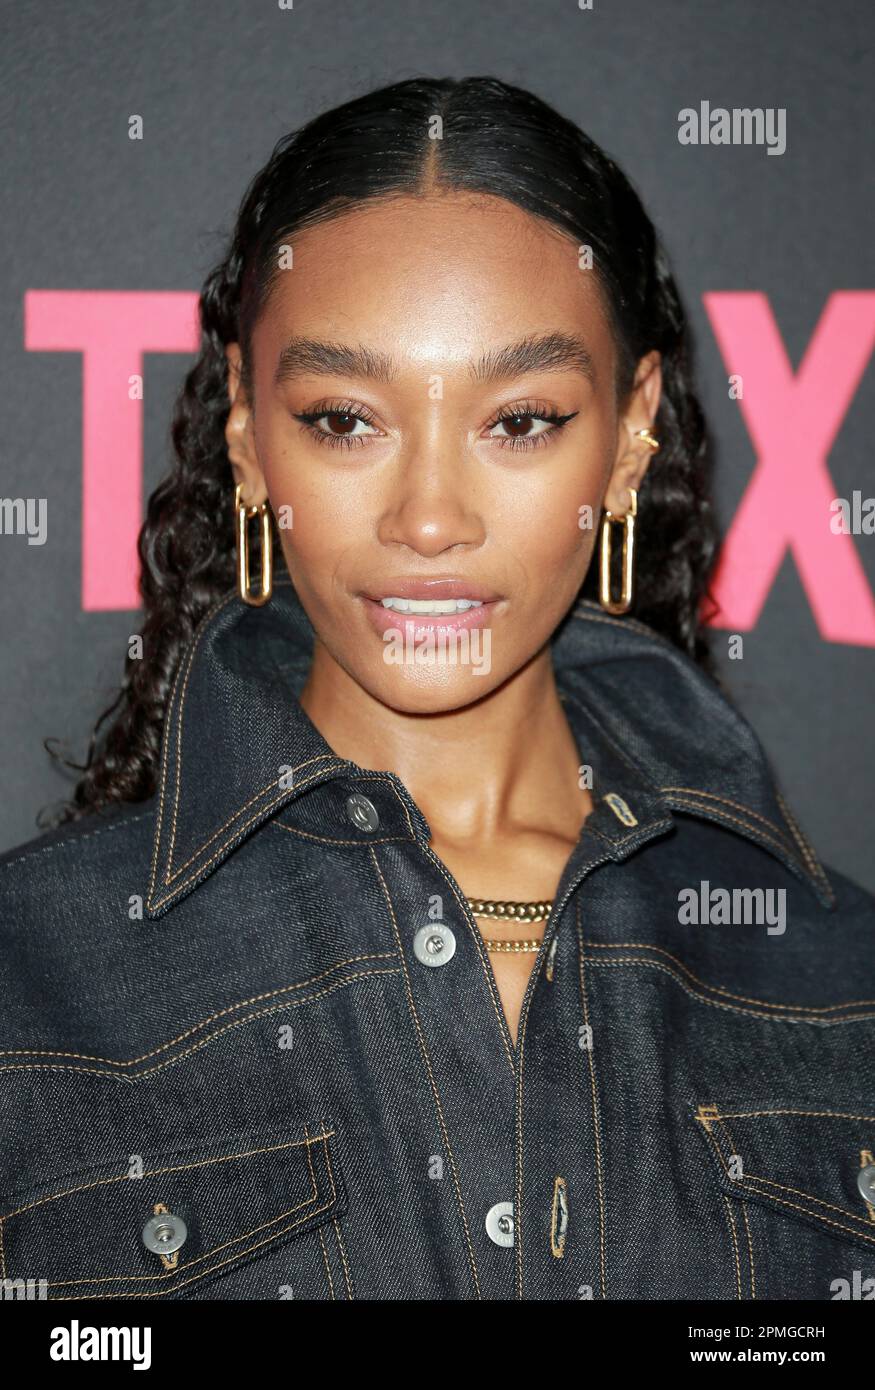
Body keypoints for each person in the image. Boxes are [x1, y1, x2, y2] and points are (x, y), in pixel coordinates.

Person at [1, 76, 873, 1303]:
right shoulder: (32, 980)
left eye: (517, 421)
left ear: (628, 437)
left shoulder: (836, 978)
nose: (426, 518)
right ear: (250, 438)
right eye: (344, 419)